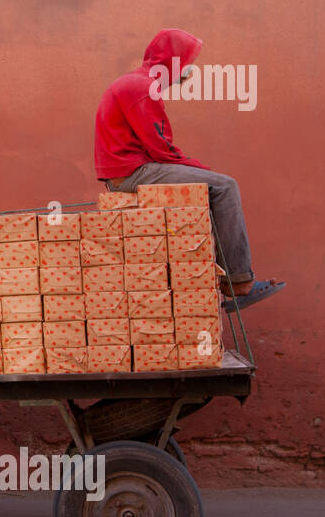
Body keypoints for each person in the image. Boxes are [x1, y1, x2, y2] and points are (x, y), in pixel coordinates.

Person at [94, 28, 284, 310]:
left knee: (214, 184)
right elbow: (162, 148)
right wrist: (200, 169)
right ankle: (239, 282)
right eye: (185, 63)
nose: (188, 71)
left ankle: (219, 276)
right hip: (133, 172)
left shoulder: (137, 83)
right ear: (172, 63)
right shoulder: (142, 88)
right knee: (225, 186)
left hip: (130, 169)